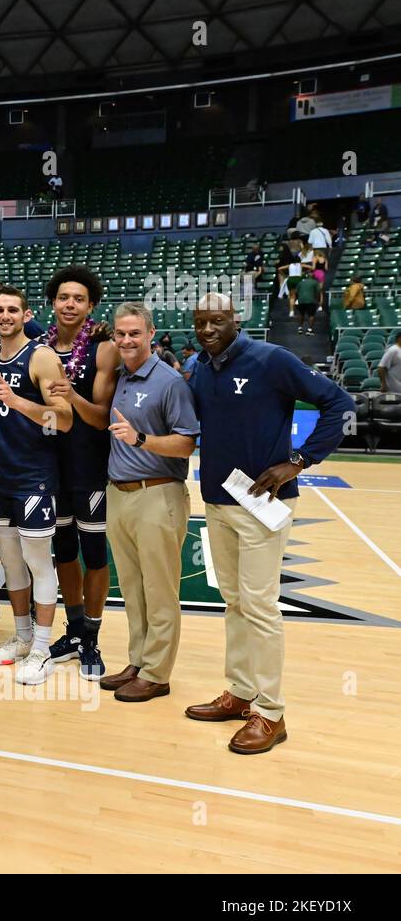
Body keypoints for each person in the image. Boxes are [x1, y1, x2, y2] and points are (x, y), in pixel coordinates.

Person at [186, 293, 353, 753]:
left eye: (217, 320)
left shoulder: (271, 359)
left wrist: (298, 461)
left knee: (260, 605)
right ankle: (240, 693)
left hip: (264, 502)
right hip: (218, 500)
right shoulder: (200, 367)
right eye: (200, 322)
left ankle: (271, 713)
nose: (208, 329)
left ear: (235, 320)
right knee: (235, 601)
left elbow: (339, 404)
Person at [100, 303, 199, 703]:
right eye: (120, 334)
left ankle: (158, 673)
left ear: (151, 333)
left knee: (159, 590)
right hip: (119, 494)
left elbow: (187, 443)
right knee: (132, 588)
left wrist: (140, 439)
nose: (126, 340)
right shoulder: (120, 377)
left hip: (157, 494)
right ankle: (138, 661)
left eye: (134, 333)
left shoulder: (169, 382)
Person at [0, 286, 72, 684]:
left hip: (34, 477)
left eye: (12, 310)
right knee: (12, 564)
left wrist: (18, 401)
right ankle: (21, 637)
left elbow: (64, 420)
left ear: (26, 314)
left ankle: (42, 648)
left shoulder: (41, 357)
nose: (5, 315)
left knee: (39, 563)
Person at [42, 266, 117, 681]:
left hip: (89, 463)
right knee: (64, 551)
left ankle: (92, 633)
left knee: (93, 553)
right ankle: (72, 630)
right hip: (51, 464)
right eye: (64, 298)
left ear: (90, 306)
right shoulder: (41, 346)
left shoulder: (103, 349)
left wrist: (72, 395)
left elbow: (103, 417)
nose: (70, 304)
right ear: (53, 303)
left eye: (79, 299)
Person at [294, 270, 321, 335]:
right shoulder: (315, 282)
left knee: (301, 314)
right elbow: (318, 292)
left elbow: (296, 292)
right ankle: (309, 330)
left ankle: (300, 328)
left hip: (301, 300)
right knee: (311, 315)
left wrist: (297, 299)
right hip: (311, 301)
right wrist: (318, 300)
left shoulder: (300, 282)